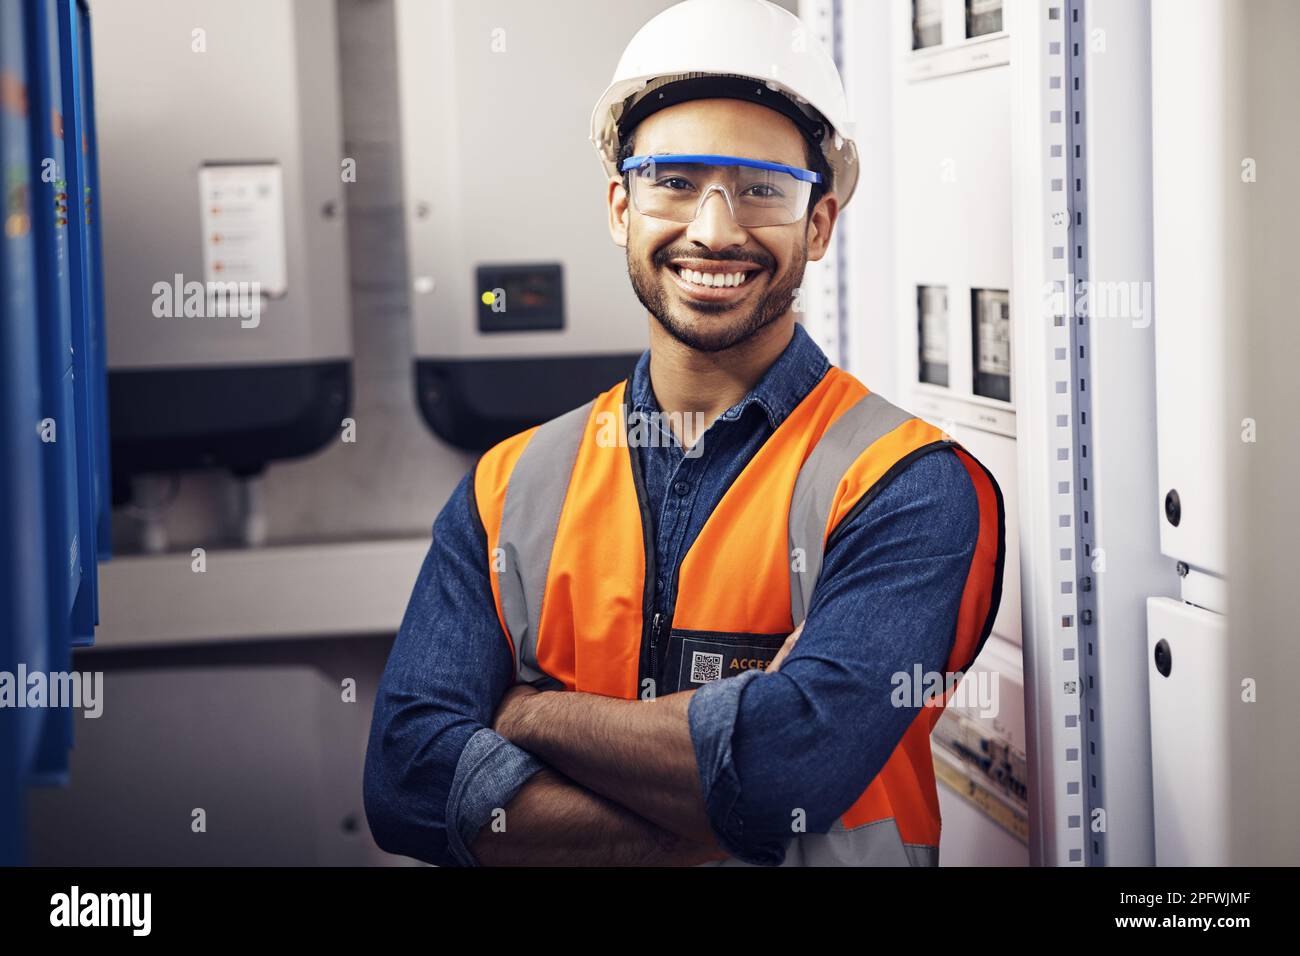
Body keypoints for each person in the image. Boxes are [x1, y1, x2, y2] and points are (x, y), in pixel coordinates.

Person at [364, 0, 1004, 867]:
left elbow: (787, 772)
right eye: (674, 180)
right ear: (621, 206)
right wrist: (713, 797)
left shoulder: (909, 486)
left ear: (817, 227)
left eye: (761, 190)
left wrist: (521, 712)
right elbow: (405, 783)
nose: (714, 229)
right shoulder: (507, 487)